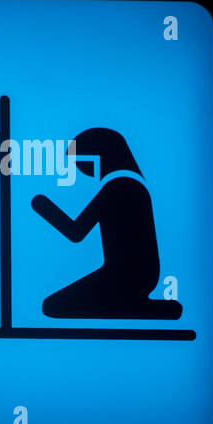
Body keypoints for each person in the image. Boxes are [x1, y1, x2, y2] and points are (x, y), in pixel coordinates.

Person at [30, 128, 181, 320]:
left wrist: (42, 205)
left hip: (125, 276)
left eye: (83, 161)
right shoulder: (128, 185)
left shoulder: (119, 187)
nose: (81, 167)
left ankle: (150, 308)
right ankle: (141, 305)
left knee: (53, 306)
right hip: (138, 275)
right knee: (56, 305)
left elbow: (76, 232)